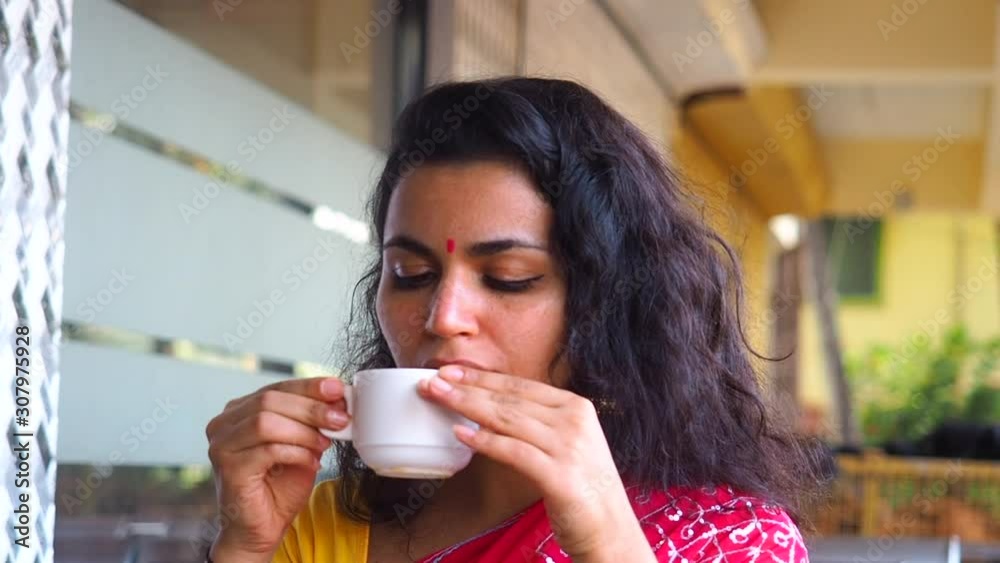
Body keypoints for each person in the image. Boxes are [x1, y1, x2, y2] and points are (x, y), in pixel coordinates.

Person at [204, 77, 820, 562]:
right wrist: (245, 547)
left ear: (608, 304)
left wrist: (606, 540)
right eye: (411, 274)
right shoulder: (319, 522)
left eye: (509, 278)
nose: (444, 317)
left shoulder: (727, 538)